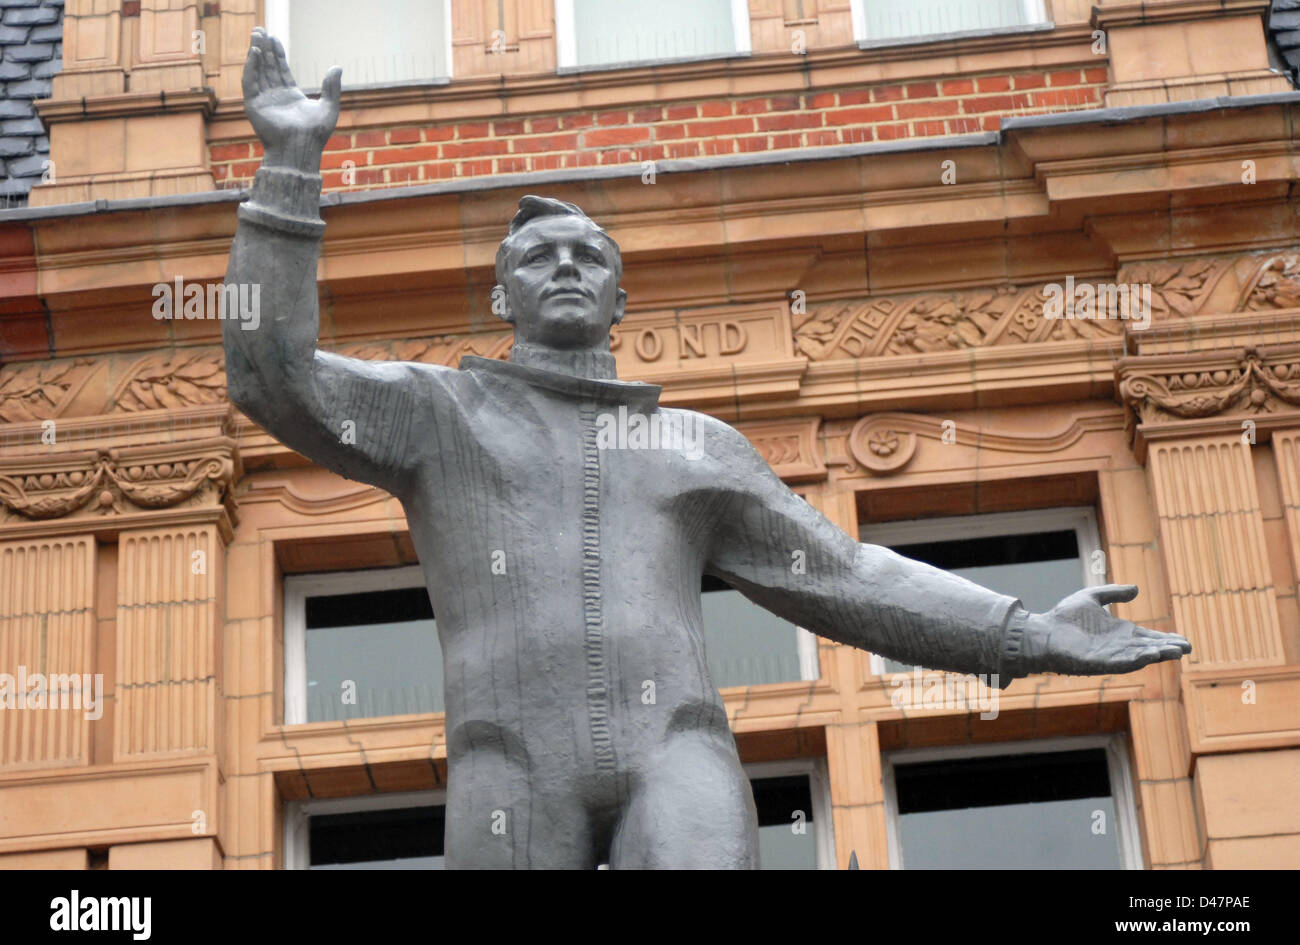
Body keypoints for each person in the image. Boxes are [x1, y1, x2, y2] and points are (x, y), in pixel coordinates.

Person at [223, 29, 1191, 868]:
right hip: (507, 763)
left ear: (619, 298)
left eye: (589, 257)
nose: (565, 265)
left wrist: (1024, 633)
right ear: (500, 298)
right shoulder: (437, 416)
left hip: (673, 754)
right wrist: (290, 169)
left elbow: (844, 574)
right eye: (536, 257)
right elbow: (272, 373)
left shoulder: (692, 447)